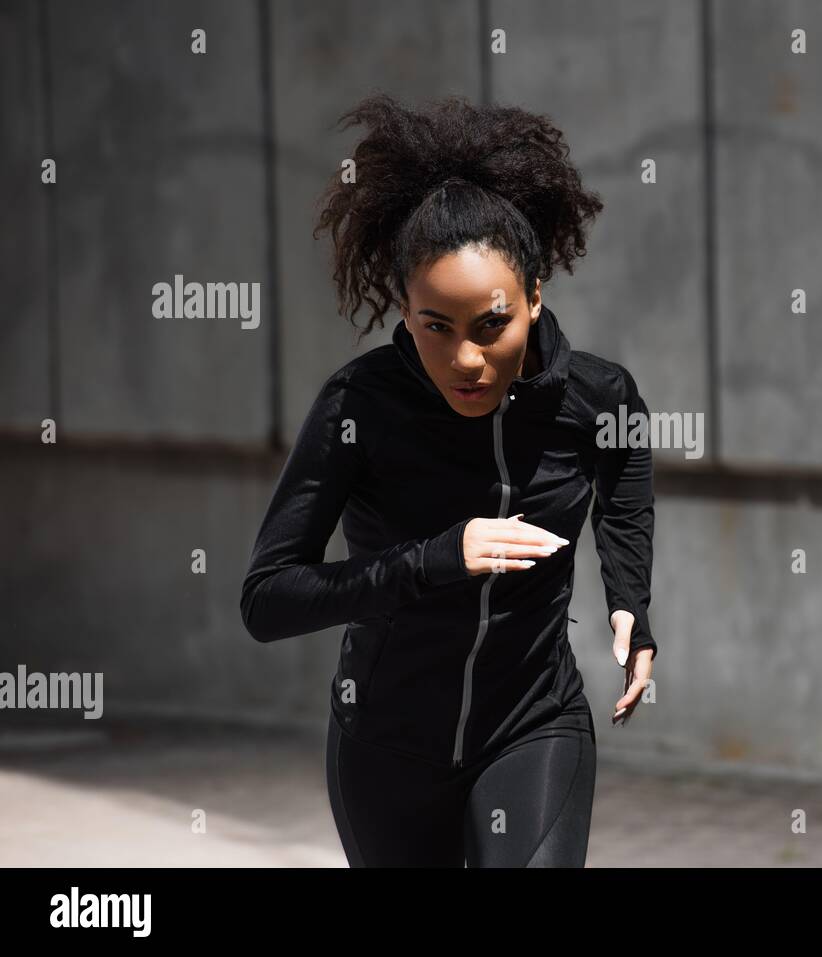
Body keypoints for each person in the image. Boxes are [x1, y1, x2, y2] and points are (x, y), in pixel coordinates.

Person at [239, 92, 657, 867]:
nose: (466, 360)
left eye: (491, 326)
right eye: (437, 327)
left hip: (535, 724)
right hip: (386, 747)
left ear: (534, 297)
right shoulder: (359, 405)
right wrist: (433, 559)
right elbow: (266, 599)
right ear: (405, 307)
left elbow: (627, 461)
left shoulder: (594, 398)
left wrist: (630, 597)